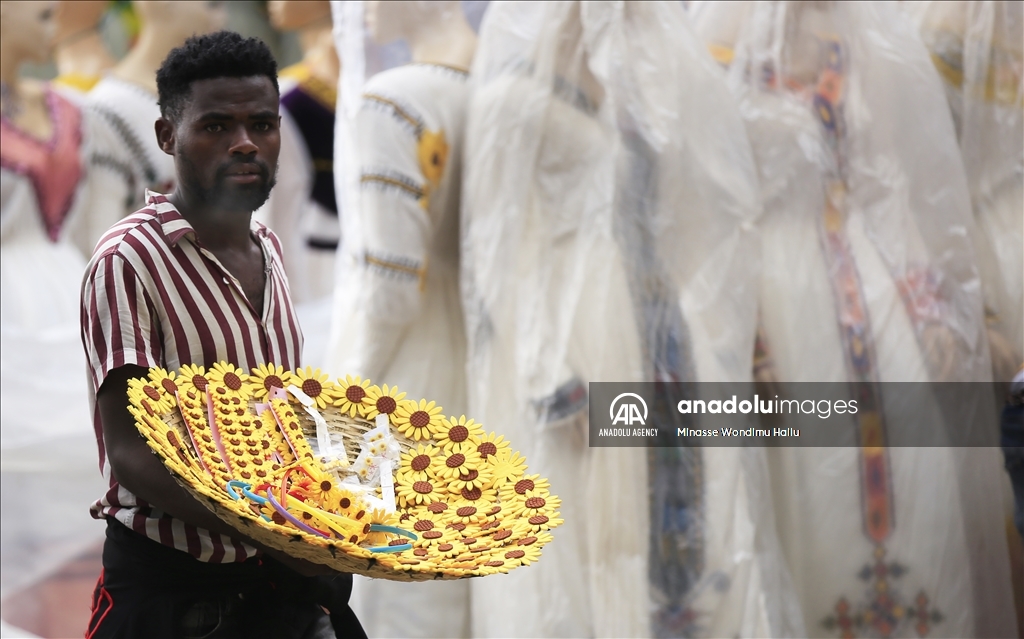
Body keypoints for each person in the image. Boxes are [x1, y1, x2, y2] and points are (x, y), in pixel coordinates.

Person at [79, 31, 363, 638]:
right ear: (166, 137)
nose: (244, 144)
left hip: (272, 581)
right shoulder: (129, 259)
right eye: (215, 127)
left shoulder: (271, 248)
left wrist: (335, 515)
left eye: (262, 124)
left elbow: (281, 416)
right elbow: (132, 453)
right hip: (171, 590)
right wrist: (280, 535)